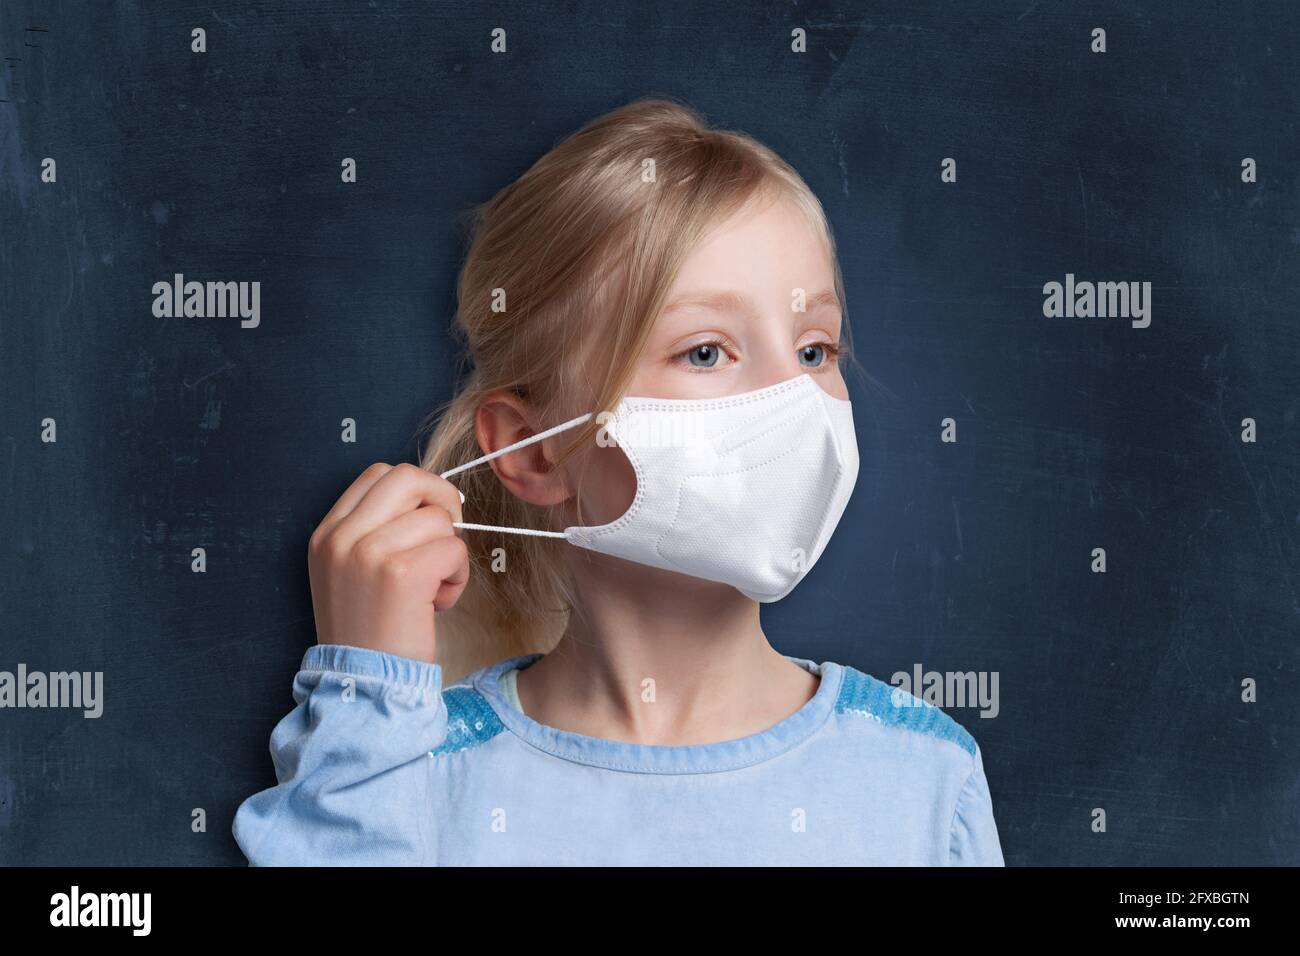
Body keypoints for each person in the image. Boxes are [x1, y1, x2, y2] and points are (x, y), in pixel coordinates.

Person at [232, 97, 1005, 866]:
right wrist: (367, 699)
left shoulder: (925, 781)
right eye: (706, 351)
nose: (796, 399)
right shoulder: (407, 777)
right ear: (536, 451)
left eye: (814, 350)